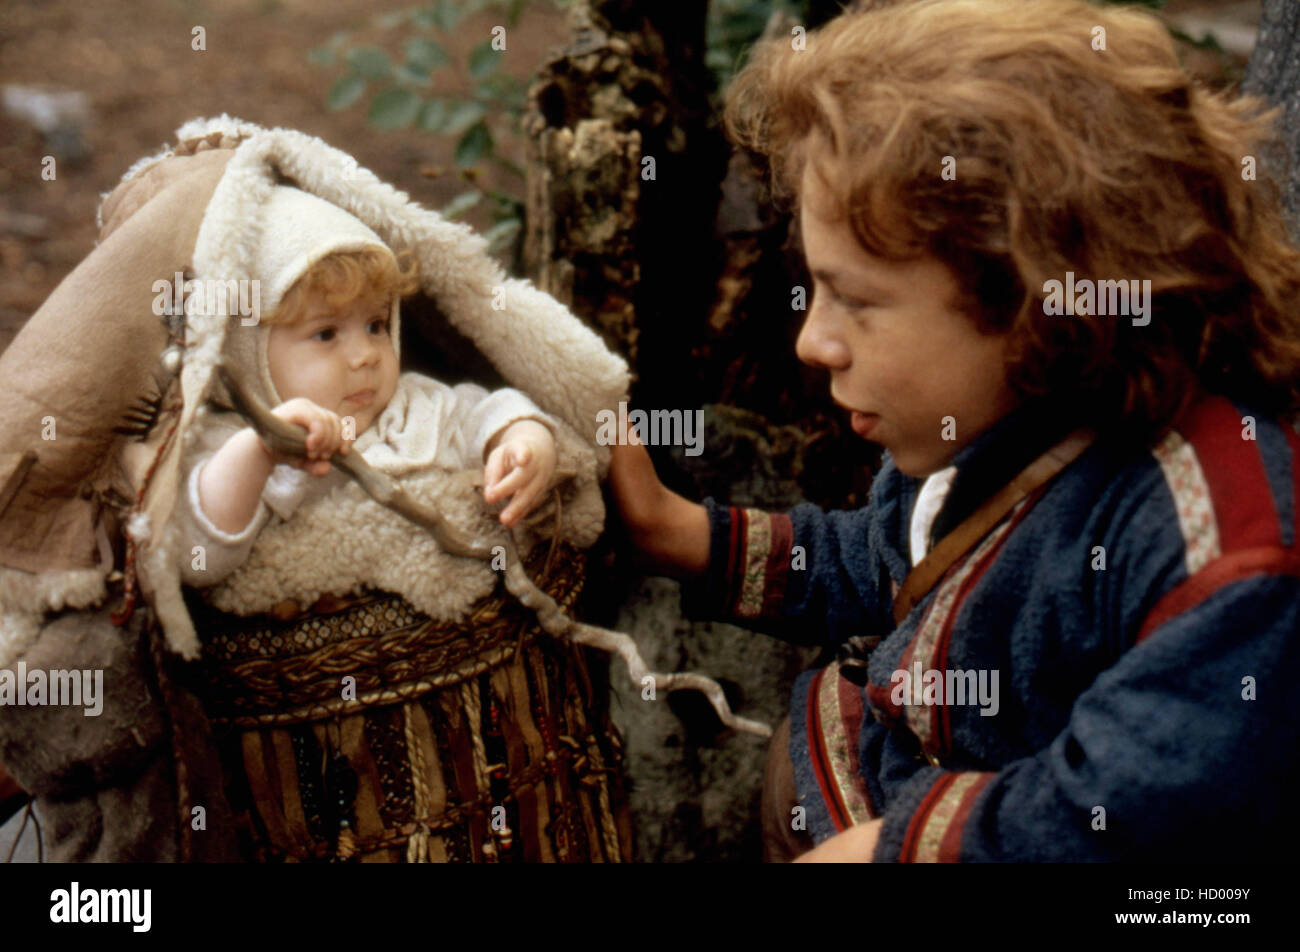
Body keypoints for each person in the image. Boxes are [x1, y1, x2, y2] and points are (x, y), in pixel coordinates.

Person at [608, 0, 1300, 861]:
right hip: (865, 790)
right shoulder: (999, 417)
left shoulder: (1221, 554)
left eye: (856, 300)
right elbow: (895, 560)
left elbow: (1136, 815)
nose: (811, 340)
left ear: (1035, 301)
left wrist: (890, 853)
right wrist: (684, 536)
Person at [176, 185, 559, 590]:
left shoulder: (414, 406)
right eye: (326, 334)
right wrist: (260, 448)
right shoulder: (229, 443)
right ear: (249, 355)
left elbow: (489, 411)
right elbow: (199, 562)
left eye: (376, 326)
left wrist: (525, 441)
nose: (366, 355)